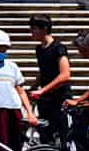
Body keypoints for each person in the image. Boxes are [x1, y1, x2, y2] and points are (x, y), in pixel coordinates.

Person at [27, 15, 73, 144]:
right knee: (46, 136)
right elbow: (43, 71)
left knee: (63, 137)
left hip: (60, 100)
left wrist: (42, 90)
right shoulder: (39, 49)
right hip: (45, 101)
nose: (31, 32)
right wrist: (33, 87)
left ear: (45, 28)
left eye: (34, 28)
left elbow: (65, 75)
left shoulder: (58, 48)